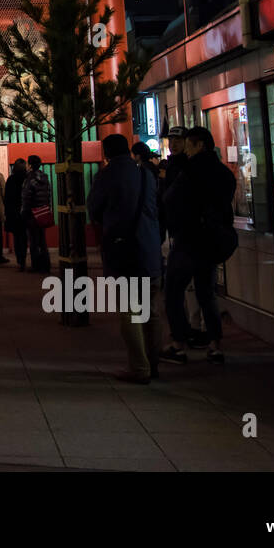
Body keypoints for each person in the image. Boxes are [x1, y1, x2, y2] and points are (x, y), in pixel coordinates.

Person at [87, 134, 163, 384]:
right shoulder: (146, 174)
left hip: (124, 250)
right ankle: (153, 363)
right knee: (151, 311)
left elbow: (95, 209)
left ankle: (139, 367)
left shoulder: (107, 175)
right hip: (149, 248)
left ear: (107, 153)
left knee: (130, 310)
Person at [160, 126, 235, 365]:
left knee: (173, 291)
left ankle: (178, 344)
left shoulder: (189, 171)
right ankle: (215, 345)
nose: (187, 150)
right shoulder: (224, 173)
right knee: (207, 293)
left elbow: (169, 200)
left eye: (189, 145)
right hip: (213, 240)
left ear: (199, 145)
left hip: (188, 240)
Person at [21, 155, 52, 274]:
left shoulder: (29, 179)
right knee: (42, 241)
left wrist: (24, 212)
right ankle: (46, 265)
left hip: (32, 213)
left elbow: (26, 197)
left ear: (30, 165)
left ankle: (36, 265)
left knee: (33, 241)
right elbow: (48, 195)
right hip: (43, 211)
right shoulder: (45, 177)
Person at [4, 157, 27, 268]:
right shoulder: (27, 178)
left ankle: (20, 260)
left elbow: (7, 198)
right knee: (25, 236)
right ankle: (25, 258)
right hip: (26, 211)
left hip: (14, 212)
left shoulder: (11, 179)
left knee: (17, 237)